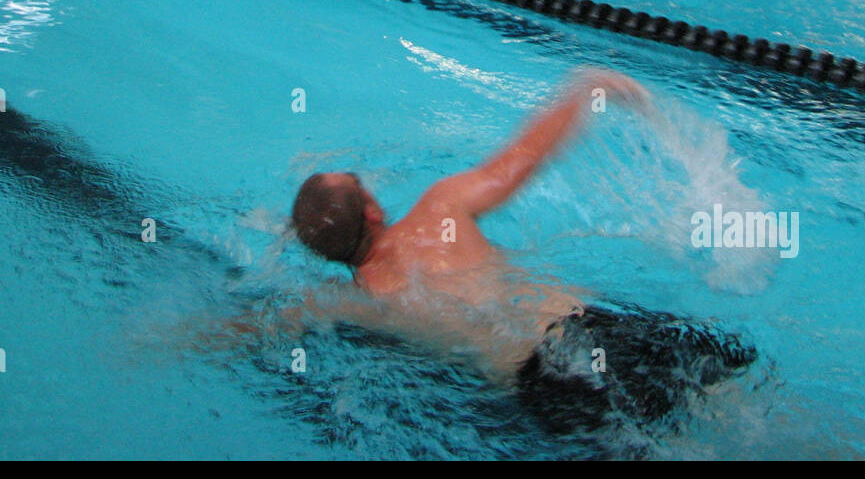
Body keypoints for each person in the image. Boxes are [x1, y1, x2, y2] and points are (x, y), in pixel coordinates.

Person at [289, 69, 757, 434]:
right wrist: (586, 89)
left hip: (545, 391)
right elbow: (519, 161)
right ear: (372, 211)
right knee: (737, 405)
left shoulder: (359, 303)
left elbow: (273, 317)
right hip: (585, 331)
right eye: (359, 183)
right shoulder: (440, 208)